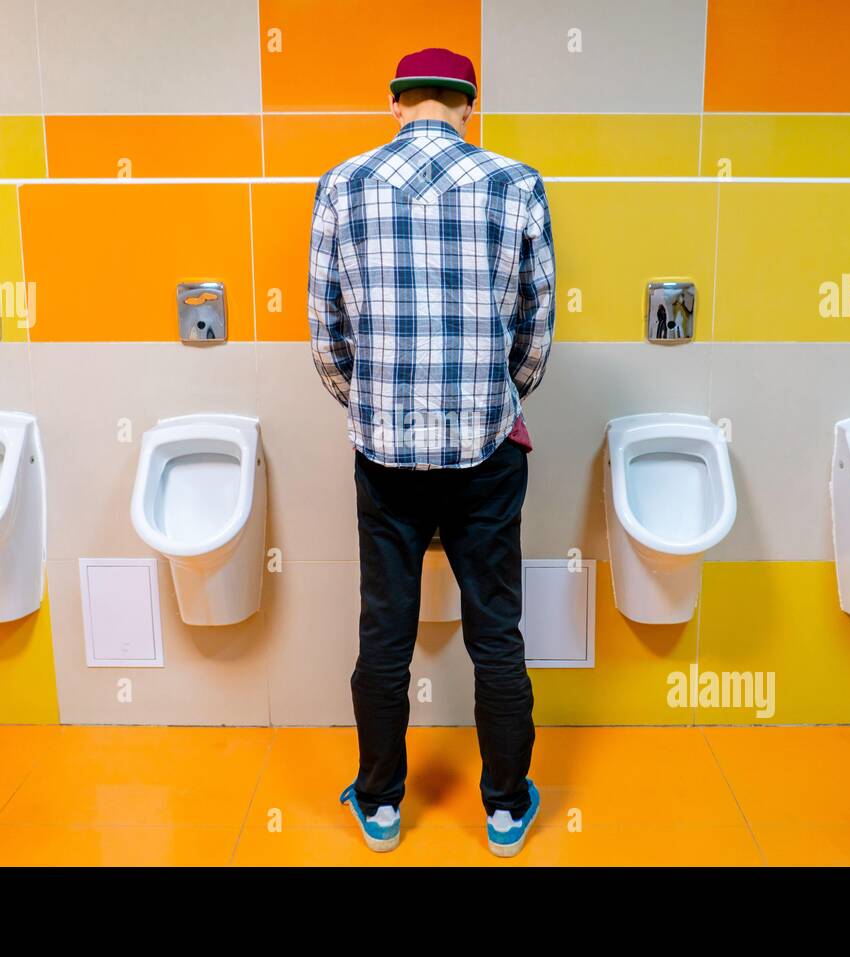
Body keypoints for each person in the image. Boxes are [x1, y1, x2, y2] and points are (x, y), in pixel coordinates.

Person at [307, 47, 556, 857]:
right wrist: (495, 399)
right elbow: (535, 330)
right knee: (497, 630)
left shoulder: (342, 184)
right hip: (487, 453)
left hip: (384, 457)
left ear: (396, 104)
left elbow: (326, 337)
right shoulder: (516, 182)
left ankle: (379, 804)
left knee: (385, 630)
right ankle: (506, 806)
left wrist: (375, 407)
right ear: (467, 106)